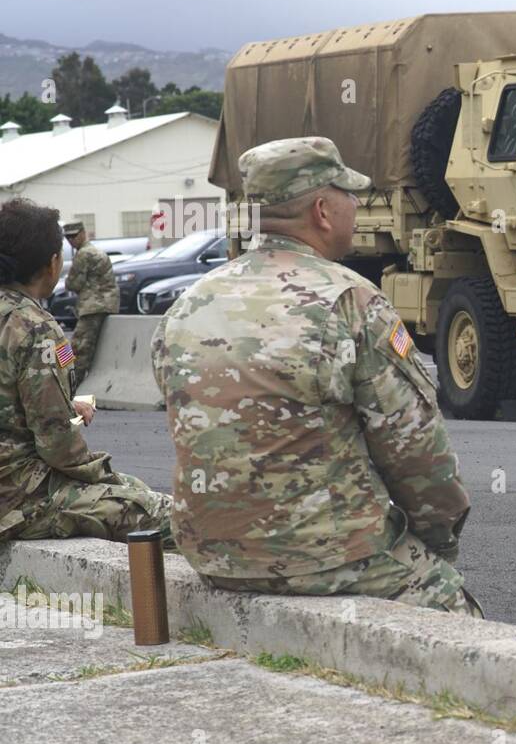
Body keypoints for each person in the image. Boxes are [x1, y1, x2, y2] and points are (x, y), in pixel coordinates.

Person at [151, 137, 480, 615]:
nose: (357, 206)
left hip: (211, 554)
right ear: (323, 211)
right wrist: (438, 544)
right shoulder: (351, 301)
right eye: (350, 195)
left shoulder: (189, 303)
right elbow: (416, 453)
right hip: (325, 556)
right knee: (459, 619)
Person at [0, 198, 172, 543]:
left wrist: (65, 407)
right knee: (163, 514)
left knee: (132, 487)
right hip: (20, 496)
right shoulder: (35, 328)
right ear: (52, 264)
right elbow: (58, 445)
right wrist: (99, 471)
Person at [62, 221, 119, 389]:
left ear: (83, 233)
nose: (71, 240)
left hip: (92, 307)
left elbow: (74, 284)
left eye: (74, 236)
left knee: (77, 348)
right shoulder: (96, 251)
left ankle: (70, 386)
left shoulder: (83, 254)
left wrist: (67, 282)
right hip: (104, 304)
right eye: (68, 237)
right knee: (84, 346)